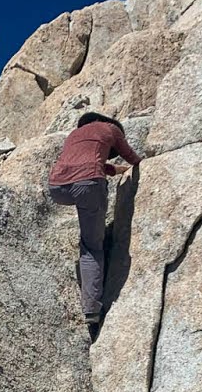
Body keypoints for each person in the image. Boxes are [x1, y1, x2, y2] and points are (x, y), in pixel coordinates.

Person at [48, 113, 141, 327]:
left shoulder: (74, 134)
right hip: (88, 184)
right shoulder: (111, 128)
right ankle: (91, 309)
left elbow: (83, 160)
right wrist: (145, 165)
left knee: (87, 209)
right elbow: (131, 156)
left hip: (57, 187)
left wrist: (111, 170)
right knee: (92, 247)